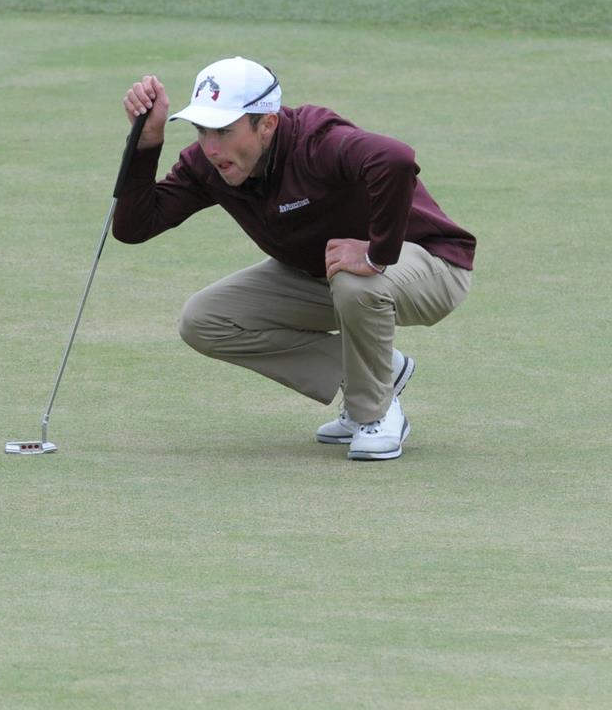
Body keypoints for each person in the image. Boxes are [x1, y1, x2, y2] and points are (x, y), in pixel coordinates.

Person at [114, 57, 476, 460]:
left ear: (266, 123)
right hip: (323, 275)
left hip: (433, 264)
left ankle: (374, 411)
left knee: (354, 279)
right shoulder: (210, 166)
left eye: (224, 130)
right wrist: (145, 144)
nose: (211, 147)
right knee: (204, 320)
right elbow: (135, 227)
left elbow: (394, 159)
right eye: (202, 130)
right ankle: (378, 370)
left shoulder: (316, 141)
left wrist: (376, 253)